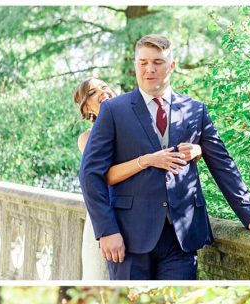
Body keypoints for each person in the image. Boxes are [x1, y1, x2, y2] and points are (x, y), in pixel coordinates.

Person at [79, 34, 250, 280]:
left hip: (183, 236)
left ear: (171, 66)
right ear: (136, 65)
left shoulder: (195, 110)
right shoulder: (113, 110)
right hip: (128, 236)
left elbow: (222, 164)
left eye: (157, 62)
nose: (149, 69)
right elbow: (90, 175)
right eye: (143, 62)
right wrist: (107, 230)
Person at [75, 76, 202, 282]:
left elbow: (166, 146)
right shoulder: (87, 137)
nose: (102, 93)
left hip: (165, 224)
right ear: (86, 108)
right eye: (92, 93)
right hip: (114, 220)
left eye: (104, 87)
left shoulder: (137, 118)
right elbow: (103, 176)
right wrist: (147, 160)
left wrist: (197, 149)